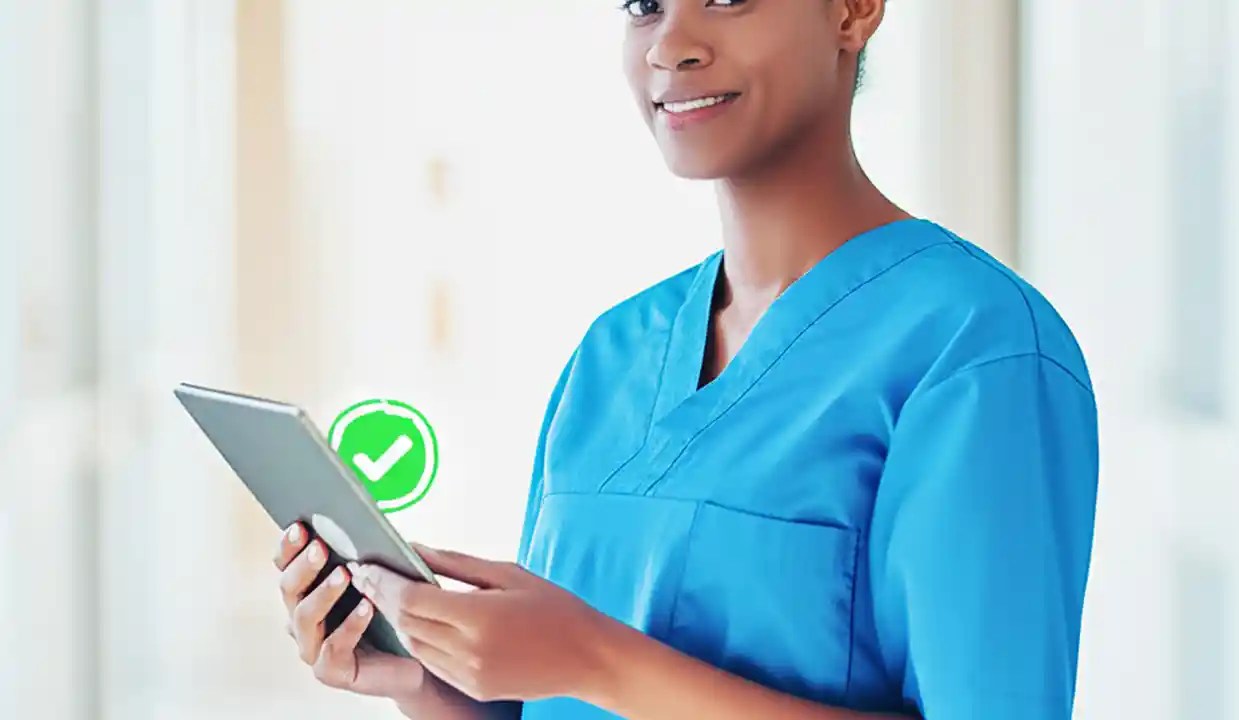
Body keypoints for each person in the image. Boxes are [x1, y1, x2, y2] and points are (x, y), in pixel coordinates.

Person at [274, 1, 1099, 718]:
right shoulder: (611, 355)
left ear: (852, 8)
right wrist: (419, 677)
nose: (672, 44)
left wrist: (595, 658)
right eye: (642, 4)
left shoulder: (976, 354)